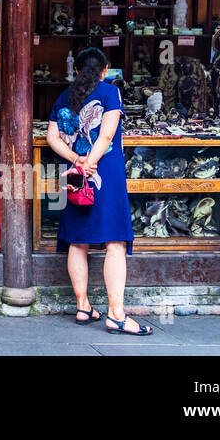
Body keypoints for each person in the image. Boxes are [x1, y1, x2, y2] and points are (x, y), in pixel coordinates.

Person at [46, 47, 150, 336]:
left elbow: (52, 136)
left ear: (77, 70)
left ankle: (83, 306)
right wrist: (90, 164)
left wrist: (76, 161)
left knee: (77, 241)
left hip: (76, 174)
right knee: (114, 242)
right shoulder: (109, 92)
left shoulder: (63, 97)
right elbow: (106, 135)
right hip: (105, 173)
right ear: (105, 70)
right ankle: (116, 315)